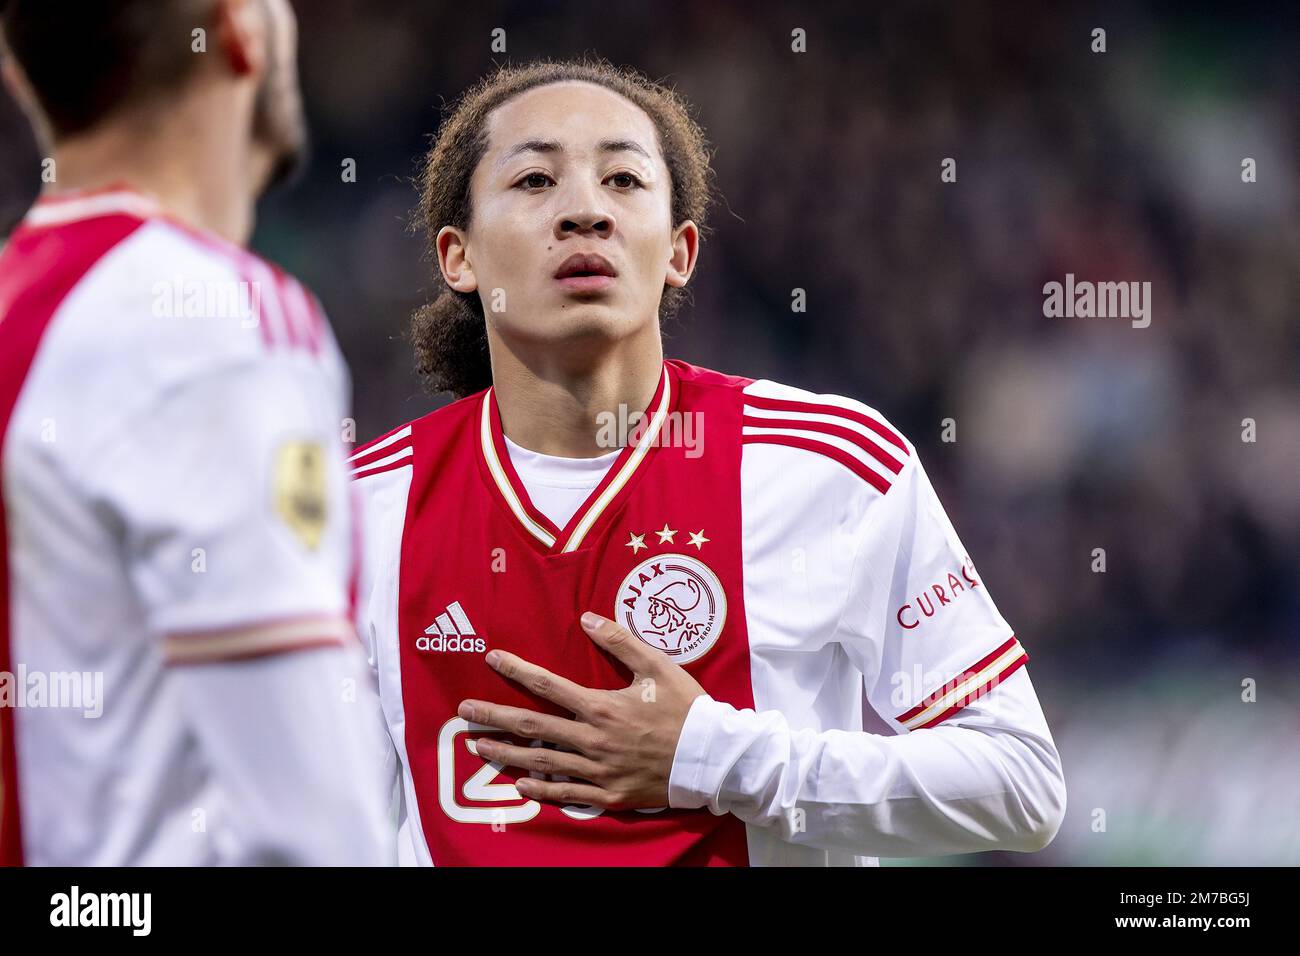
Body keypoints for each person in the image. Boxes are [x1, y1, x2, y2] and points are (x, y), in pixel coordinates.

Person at [350, 58, 1066, 865]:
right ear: (460, 258)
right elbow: (314, 828)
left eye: (623, 180)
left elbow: (1021, 783)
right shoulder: (362, 515)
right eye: (535, 180)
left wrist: (714, 757)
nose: (585, 211)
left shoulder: (828, 467)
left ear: (679, 250)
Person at [0, 0, 391, 865]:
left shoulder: (23, 310)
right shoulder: (215, 319)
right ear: (240, 29)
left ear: (21, 77)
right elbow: (316, 828)